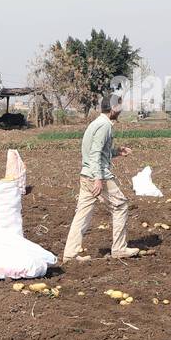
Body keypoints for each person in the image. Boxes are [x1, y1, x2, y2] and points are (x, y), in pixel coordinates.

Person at [61, 96, 139, 262]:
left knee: (82, 213)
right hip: (98, 175)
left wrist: (117, 152)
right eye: (119, 107)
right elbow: (95, 154)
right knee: (121, 206)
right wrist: (98, 179)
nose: (121, 110)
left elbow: (97, 151)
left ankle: (70, 254)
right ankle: (119, 248)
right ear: (112, 110)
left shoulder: (96, 123)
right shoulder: (105, 126)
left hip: (86, 175)